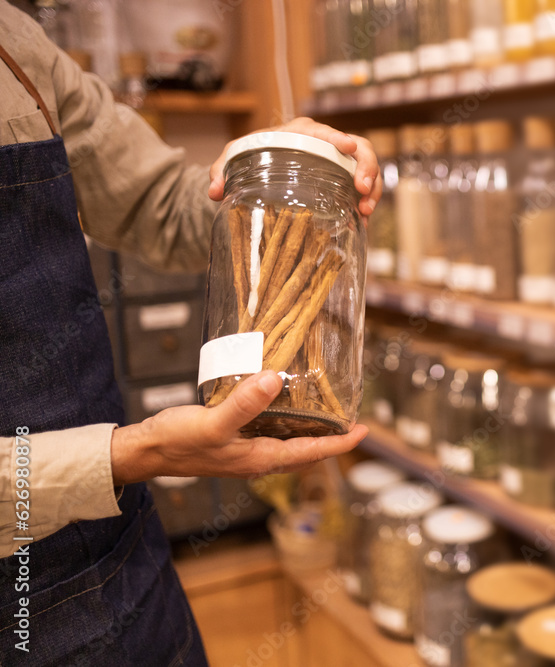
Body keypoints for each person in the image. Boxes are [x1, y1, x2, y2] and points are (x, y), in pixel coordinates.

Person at [0, 3, 379, 664]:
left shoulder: (14, 42)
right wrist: (132, 453)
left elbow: (160, 205)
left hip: (125, 552)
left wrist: (272, 172)